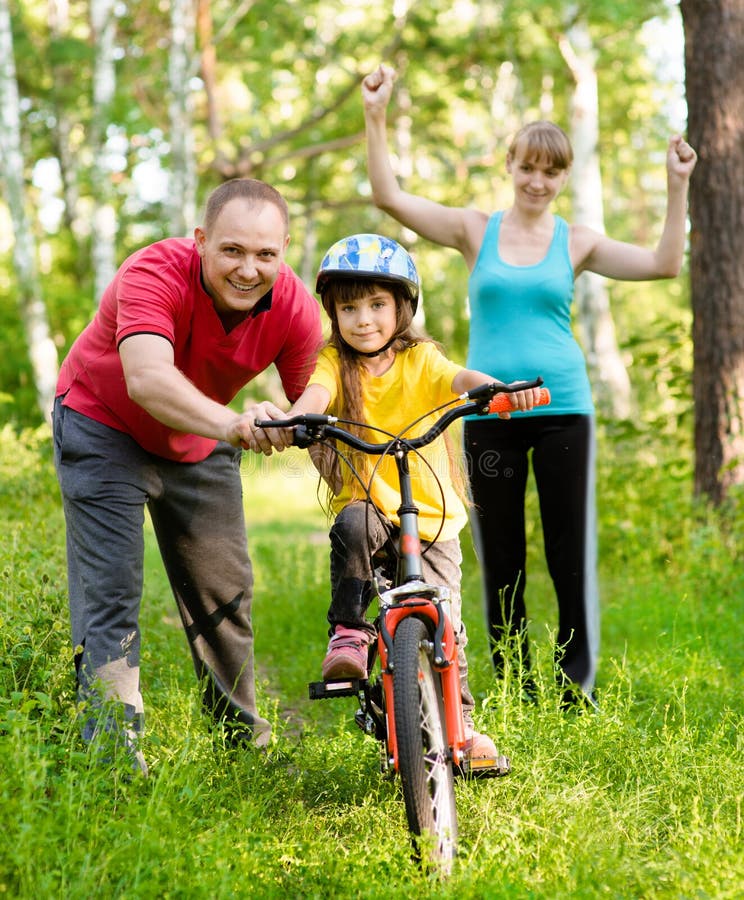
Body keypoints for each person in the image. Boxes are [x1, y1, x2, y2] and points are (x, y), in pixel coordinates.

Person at [360, 63, 697, 707]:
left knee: (568, 552)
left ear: (563, 176)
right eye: (528, 167)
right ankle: (516, 686)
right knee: (502, 556)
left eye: (552, 171)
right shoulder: (473, 229)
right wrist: (376, 115)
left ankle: (575, 690)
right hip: (490, 414)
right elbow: (390, 198)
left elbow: (663, 265)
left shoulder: (578, 241)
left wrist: (675, 184)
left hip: (565, 408)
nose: (538, 181)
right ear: (509, 165)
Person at [53, 177, 323, 773]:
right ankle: (111, 761)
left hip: (200, 442)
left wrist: (292, 426)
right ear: (201, 241)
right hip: (104, 427)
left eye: (265, 254)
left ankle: (241, 749)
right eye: (232, 250)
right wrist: (234, 425)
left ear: (283, 251)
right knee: (112, 597)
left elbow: (316, 409)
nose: (248, 269)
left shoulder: (296, 307)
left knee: (225, 594)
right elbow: (146, 378)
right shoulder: (153, 272)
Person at [255, 232, 541, 761]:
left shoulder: (420, 359)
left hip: (431, 522)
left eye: (377, 304)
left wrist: (498, 390)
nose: (364, 319)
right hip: (372, 511)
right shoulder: (332, 364)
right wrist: (300, 418)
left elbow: (460, 379)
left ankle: (463, 725)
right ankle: (348, 632)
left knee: (447, 624)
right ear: (334, 314)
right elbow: (314, 395)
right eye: (349, 307)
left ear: (403, 307)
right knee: (352, 525)